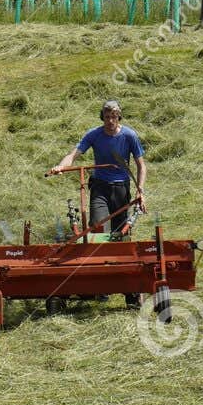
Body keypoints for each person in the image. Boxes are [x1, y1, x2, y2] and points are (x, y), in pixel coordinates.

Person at [48, 100, 148, 304]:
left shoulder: (129, 135)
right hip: (100, 187)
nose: (110, 120)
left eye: (114, 116)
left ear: (119, 117)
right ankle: (101, 283)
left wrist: (140, 191)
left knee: (121, 235)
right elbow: (73, 155)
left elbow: (141, 165)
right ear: (102, 117)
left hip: (121, 189)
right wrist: (60, 166)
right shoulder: (93, 134)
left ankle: (129, 291)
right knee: (98, 229)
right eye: (107, 116)